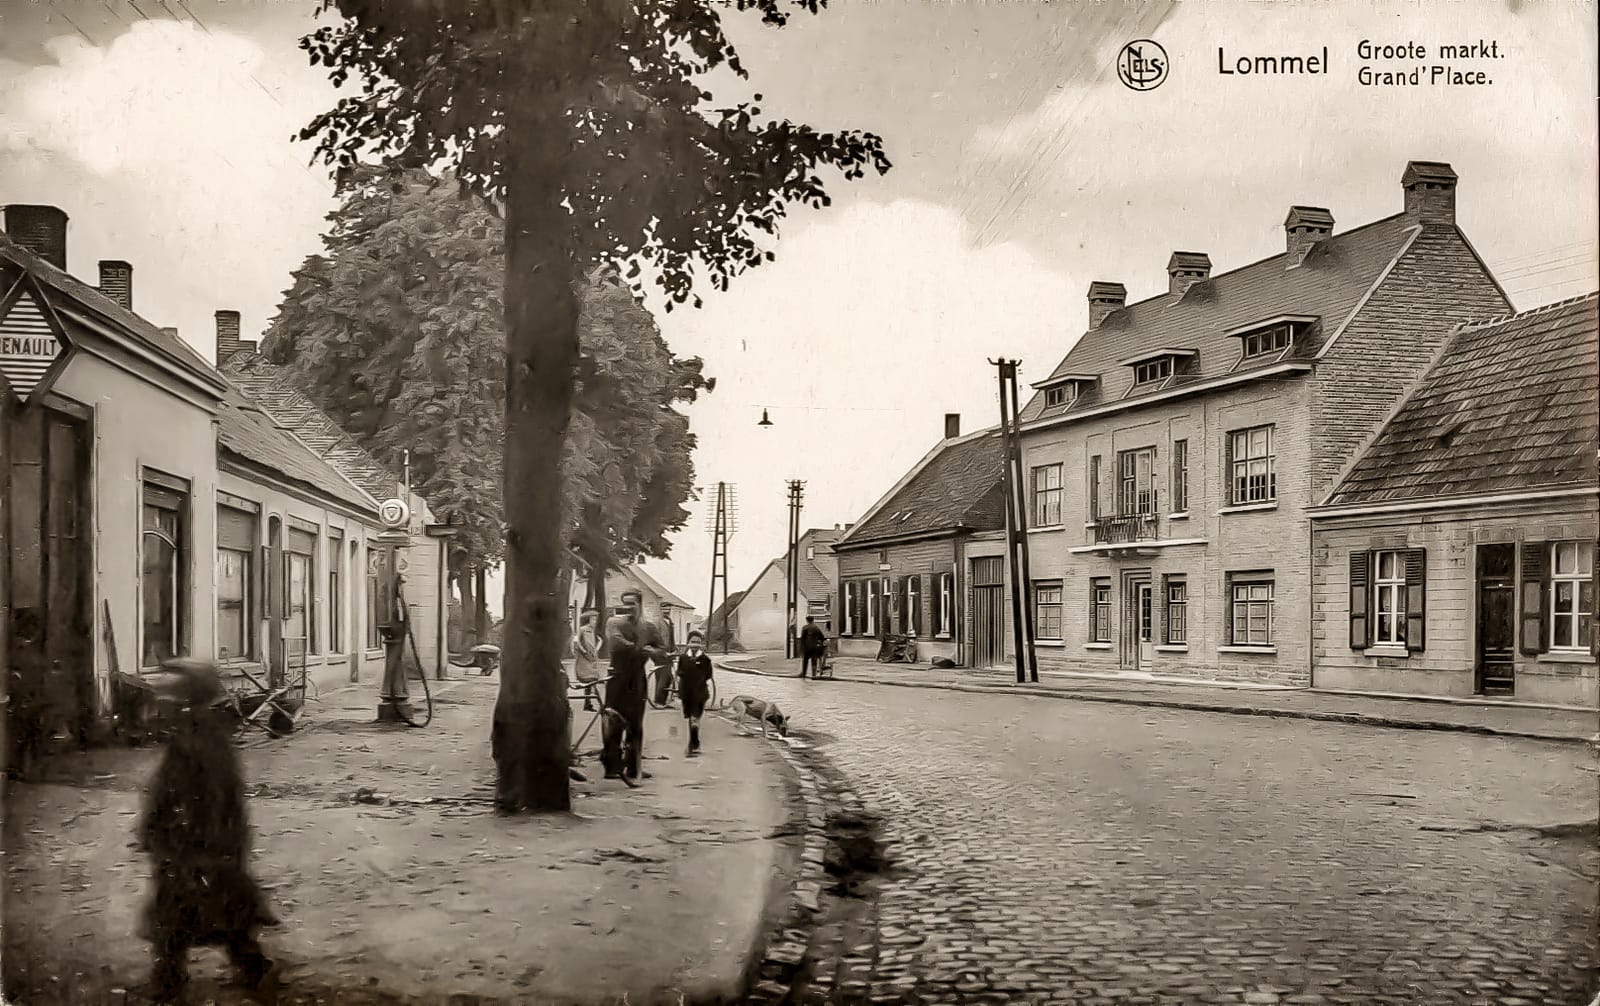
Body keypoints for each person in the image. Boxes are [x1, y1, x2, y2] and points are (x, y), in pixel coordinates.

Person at [138, 658, 279, 1002]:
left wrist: (200, 840)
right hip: (192, 844)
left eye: (171, 693)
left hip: (202, 845)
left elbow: (209, 793)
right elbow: (169, 787)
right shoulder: (192, 732)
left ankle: (247, 970)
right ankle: (173, 974)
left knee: (210, 912)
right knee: (195, 913)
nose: (163, 700)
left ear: (189, 697)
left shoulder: (201, 737)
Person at [602, 591, 666, 785]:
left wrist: (653, 651)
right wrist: (642, 649)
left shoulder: (648, 627)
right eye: (625, 604)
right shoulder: (614, 622)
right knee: (613, 720)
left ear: (639, 605)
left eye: (632, 604)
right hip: (617, 677)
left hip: (637, 678)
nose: (628, 607)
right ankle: (612, 766)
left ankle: (634, 766)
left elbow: (662, 650)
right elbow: (616, 642)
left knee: (636, 723)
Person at [675, 630, 714, 756]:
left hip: (700, 693)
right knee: (689, 717)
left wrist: (698, 679)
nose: (695, 645)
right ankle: (694, 742)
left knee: (694, 718)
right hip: (686, 693)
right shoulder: (683, 657)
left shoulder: (705, 659)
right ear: (688, 643)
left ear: (701, 644)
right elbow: (679, 672)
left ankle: (693, 745)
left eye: (698, 642)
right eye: (692, 642)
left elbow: (708, 675)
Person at [572, 609, 602, 711]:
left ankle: (588, 703)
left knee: (591, 681)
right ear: (588, 619)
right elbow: (577, 643)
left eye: (595, 619)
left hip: (590, 660)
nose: (595, 621)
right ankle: (595, 704)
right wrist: (584, 651)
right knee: (591, 680)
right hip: (585, 661)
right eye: (593, 619)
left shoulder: (591, 631)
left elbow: (592, 647)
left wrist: (599, 644)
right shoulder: (584, 629)